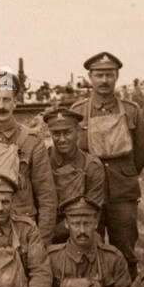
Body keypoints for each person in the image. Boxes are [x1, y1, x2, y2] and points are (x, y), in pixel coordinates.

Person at [69, 52, 144, 274]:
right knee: (88, 248)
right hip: (87, 193)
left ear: (116, 77)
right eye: (99, 75)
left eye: (109, 75)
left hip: (122, 194)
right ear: (90, 77)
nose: (104, 80)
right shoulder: (77, 112)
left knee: (125, 250)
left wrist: (125, 174)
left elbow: (142, 153)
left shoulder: (132, 110)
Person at [0, 70, 57, 245]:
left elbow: (47, 197)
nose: (1, 106)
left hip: (21, 232)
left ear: (15, 102)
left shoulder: (31, 142)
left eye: (6, 99)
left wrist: (41, 242)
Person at [42, 104, 106, 246]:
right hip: (46, 230)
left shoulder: (92, 166)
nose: (62, 139)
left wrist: (54, 232)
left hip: (81, 228)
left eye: (67, 132)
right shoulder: (42, 161)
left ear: (78, 131)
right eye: (56, 134)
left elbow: (91, 211)